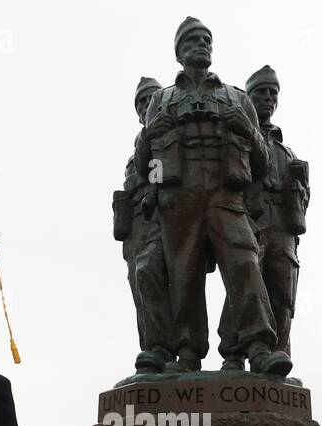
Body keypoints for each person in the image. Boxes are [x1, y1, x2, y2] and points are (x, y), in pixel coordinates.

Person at [133, 17, 290, 375]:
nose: (201, 45)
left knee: (245, 265)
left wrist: (248, 131)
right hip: (180, 200)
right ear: (179, 52)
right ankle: (187, 352)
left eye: (206, 40)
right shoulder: (161, 101)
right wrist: (147, 140)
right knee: (184, 279)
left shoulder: (236, 98)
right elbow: (149, 167)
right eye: (192, 41)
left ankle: (259, 347)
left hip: (226, 198)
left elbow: (262, 166)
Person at [217, 64, 309, 365]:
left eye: (273, 93)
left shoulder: (287, 152)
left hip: (284, 228)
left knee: (282, 295)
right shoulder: (239, 138)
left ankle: (278, 356)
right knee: (244, 285)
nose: (268, 98)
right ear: (249, 98)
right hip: (250, 220)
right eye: (261, 92)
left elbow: (303, 201)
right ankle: (232, 355)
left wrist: (303, 183)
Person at [116, 76, 175, 374]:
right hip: (136, 230)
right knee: (141, 289)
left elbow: (159, 173)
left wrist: (152, 189)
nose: (147, 105)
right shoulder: (138, 147)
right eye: (141, 102)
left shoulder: (165, 140)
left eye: (151, 98)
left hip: (161, 219)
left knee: (151, 274)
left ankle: (163, 348)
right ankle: (153, 351)